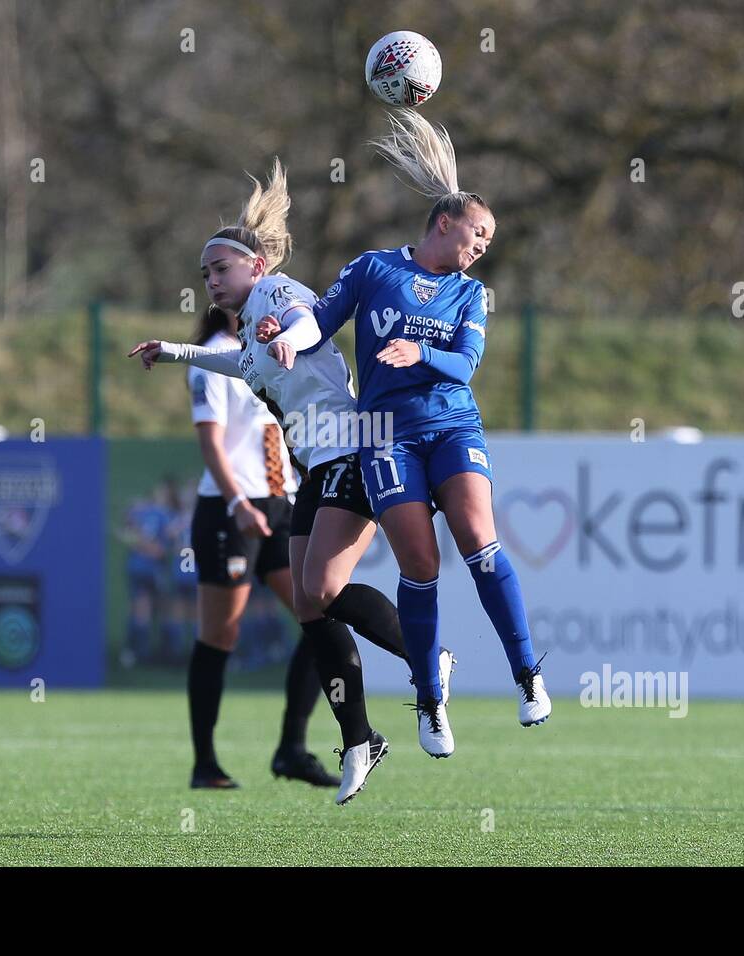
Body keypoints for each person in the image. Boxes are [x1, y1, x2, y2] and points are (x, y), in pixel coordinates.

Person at [129, 159, 453, 804]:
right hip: (316, 466)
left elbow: (313, 319)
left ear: (256, 266)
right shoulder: (252, 321)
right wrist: (176, 352)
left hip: (352, 452)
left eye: (220, 269)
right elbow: (239, 360)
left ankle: (429, 658)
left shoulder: (280, 297)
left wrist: (292, 338)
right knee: (309, 604)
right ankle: (359, 739)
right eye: (205, 274)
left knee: (323, 588)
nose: (211, 281)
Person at [263, 110, 552, 759]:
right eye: (478, 232)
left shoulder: (470, 296)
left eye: (489, 240)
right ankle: (430, 699)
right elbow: (320, 320)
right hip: (384, 435)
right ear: (443, 222)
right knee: (419, 565)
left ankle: (528, 674)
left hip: (451, 425)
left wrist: (415, 355)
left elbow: (465, 364)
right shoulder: (373, 269)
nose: (482, 246)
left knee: (480, 541)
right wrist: (286, 339)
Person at [170, 298, 335, 791]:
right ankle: (205, 764)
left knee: (319, 620)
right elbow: (211, 442)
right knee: (220, 636)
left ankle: (292, 749)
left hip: (280, 502)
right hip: (231, 511)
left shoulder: (265, 350)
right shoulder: (215, 357)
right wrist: (238, 502)